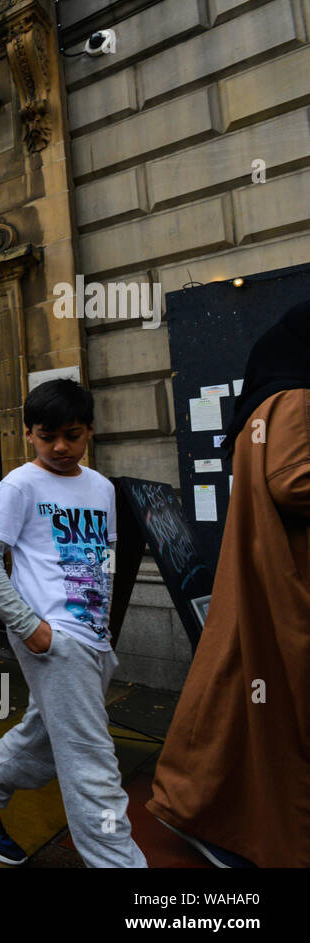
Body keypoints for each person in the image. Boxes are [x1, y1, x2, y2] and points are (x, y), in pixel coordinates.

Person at [0, 378, 144, 868]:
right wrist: (28, 625)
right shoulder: (19, 484)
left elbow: (105, 560)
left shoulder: (100, 487)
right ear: (29, 433)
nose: (60, 446)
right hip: (52, 636)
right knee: (93, 764)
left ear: (90, 432)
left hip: (93, 637)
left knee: (49, 733)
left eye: (72, 435)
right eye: (47, 434)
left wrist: (107, 627)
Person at [147, 302, 310, 868]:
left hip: (266, 583)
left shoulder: (269, 401)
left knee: (241, 703)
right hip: (284, 584)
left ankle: (210, 817)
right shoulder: (294, 398)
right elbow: (292, 480)